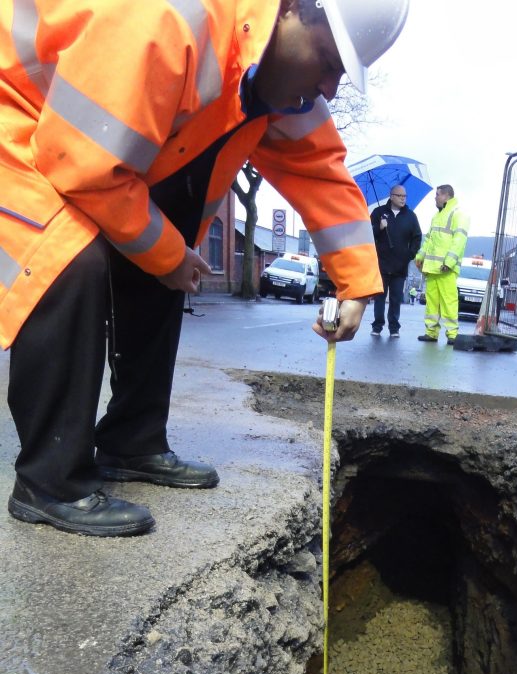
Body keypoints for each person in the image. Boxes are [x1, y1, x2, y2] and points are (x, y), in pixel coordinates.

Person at [0, 0, 408, 538]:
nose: (330, 88)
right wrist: (168, 254)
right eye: (330, 61)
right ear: (291, 11)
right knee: (71, 259)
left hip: (81, 146)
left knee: (169, 230)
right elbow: (82, 165)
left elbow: (322, 172)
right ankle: (49, 481)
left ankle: (132, 441)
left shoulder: (281, 82)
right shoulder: (167, 21)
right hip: (24, 120)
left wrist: (356, 284)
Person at [414, 185, 470, 344]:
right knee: (432, 302)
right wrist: (420, 256)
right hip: (432, 268)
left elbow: (459, 241)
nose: (435, 198)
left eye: (437, 195)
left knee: (448, 301)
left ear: (446, 196)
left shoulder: (458, 214)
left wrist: (449, 262)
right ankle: (431, 332)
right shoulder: (437, 216)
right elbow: (429, 241)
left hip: (446, 269)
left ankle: (452, 334)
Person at [369, 186, 422, 338]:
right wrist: (379, 227)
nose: (403, 198)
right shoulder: (379, 213)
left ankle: (394, 328)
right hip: (382, 263)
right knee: (379, 296)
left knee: (395, 298)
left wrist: (409, 254)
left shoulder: (411, 216)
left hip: (400, 265)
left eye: (404, 196)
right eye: (399, 195)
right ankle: (377, 325)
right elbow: (368, 234)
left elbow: (417, 237)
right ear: (391, 196)